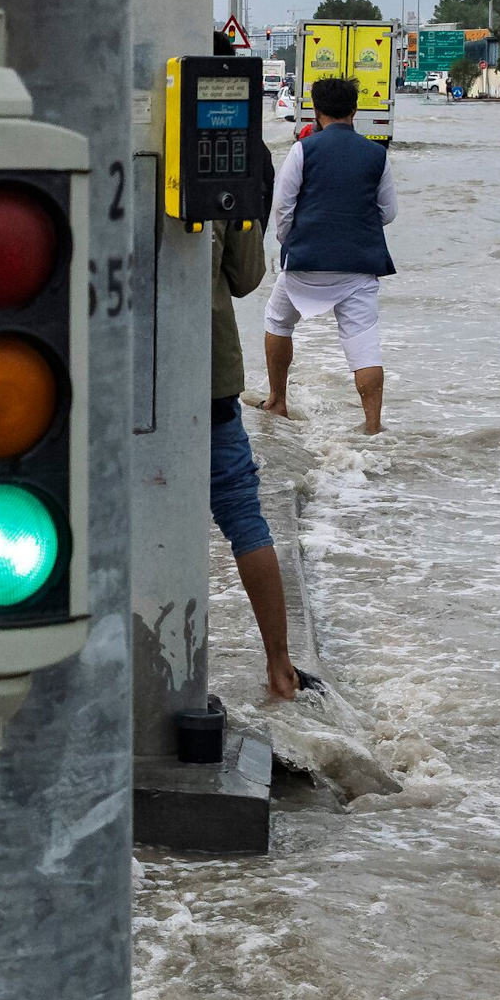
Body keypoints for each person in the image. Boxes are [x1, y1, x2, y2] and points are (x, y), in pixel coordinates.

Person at [258, 76, 392, 435]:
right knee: (363, 344)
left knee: (277, 320)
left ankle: (277, 401)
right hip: (359, 266)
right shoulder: (377, 153)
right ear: (355, 110)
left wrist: (291, 242)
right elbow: (388, 212)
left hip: (305, 262)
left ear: (316, 112)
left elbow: (282, 207)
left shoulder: (303, 150)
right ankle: (373, 426)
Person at [200, 216, 295, 699]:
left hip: (115, 377)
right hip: (207, 373)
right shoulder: (215, 178)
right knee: (243, 516)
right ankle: (280, 668)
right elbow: (246, 277)